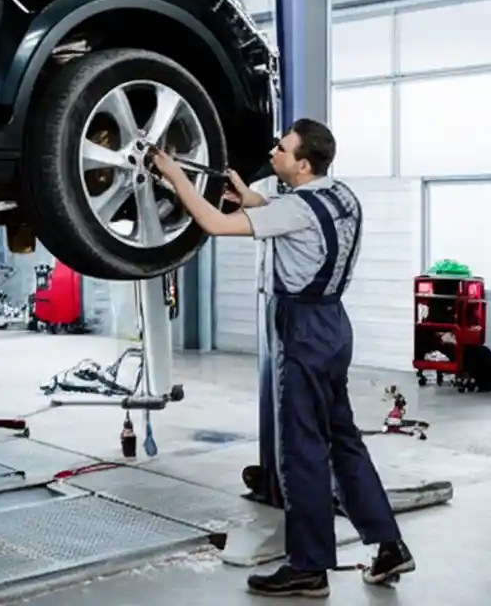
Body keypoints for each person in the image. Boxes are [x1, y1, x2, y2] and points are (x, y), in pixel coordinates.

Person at [150, 118, 415, 598]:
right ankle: (389, 544)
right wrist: (249, 197)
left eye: (282, 149)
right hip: (335, 326)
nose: (274, 152)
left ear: (303, 164)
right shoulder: (341, 196)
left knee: (303, 452)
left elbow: (212, 223)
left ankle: (308, 567)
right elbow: (293, 213)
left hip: (304, 331)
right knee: (344, 440)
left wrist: (175, 177)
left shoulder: (294, 210)